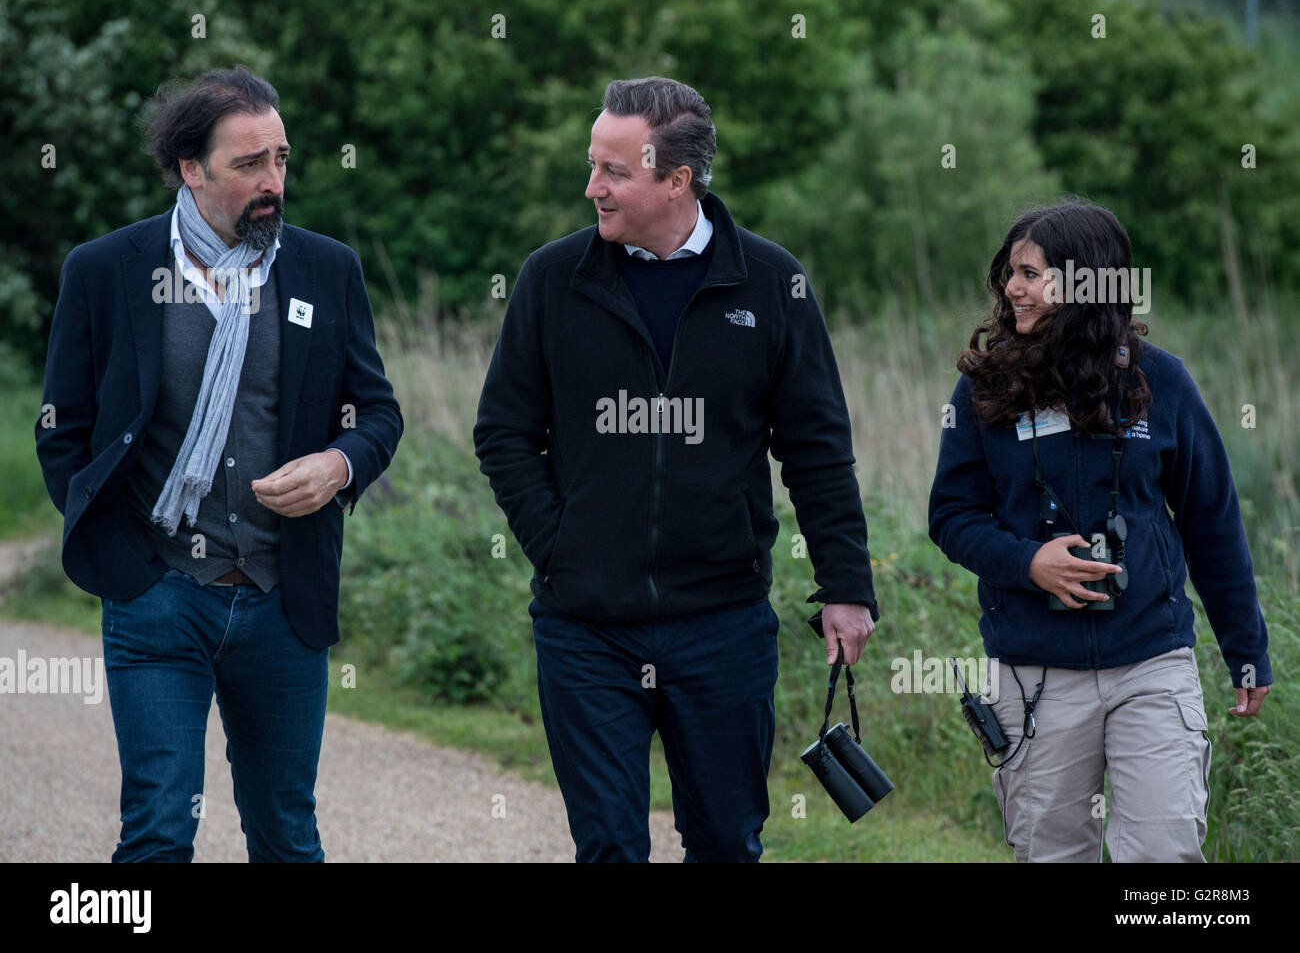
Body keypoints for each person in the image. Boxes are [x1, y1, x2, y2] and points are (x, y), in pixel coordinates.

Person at [473, 76, 880, 862]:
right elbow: (505, 433)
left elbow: (818, 447)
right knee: (610, 847)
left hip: (722, 623)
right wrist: (560, 548)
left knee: (727, 844)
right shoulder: (552, 279)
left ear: (677, 180)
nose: (592, 187)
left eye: (613, 172)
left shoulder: (771, 283)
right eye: (593, 165)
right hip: (584, 628)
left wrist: (847, 586)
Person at [33, 66, 403, 862]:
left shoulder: (325, 268)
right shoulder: (106, 270)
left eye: (282, 159)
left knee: (285, 832)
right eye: (249, 165)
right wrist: (121, 565)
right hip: (158, 596)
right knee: (159, 829)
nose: (274, 182)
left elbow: (377, 412)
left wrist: (339, 466)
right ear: (191, 170)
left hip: (284, 598)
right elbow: (63, 429)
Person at [928, 202, 1271, 862]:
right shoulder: (983, 391)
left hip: (1151, 661)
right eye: (1010, 273)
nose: (1012, 289)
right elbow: (951, 516)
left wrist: (1246, 647)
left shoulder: (1162, 381)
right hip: (1035, 675)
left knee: (1162, 854)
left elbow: (1212, 522)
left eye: (1030, 274)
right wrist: (1029, 563)